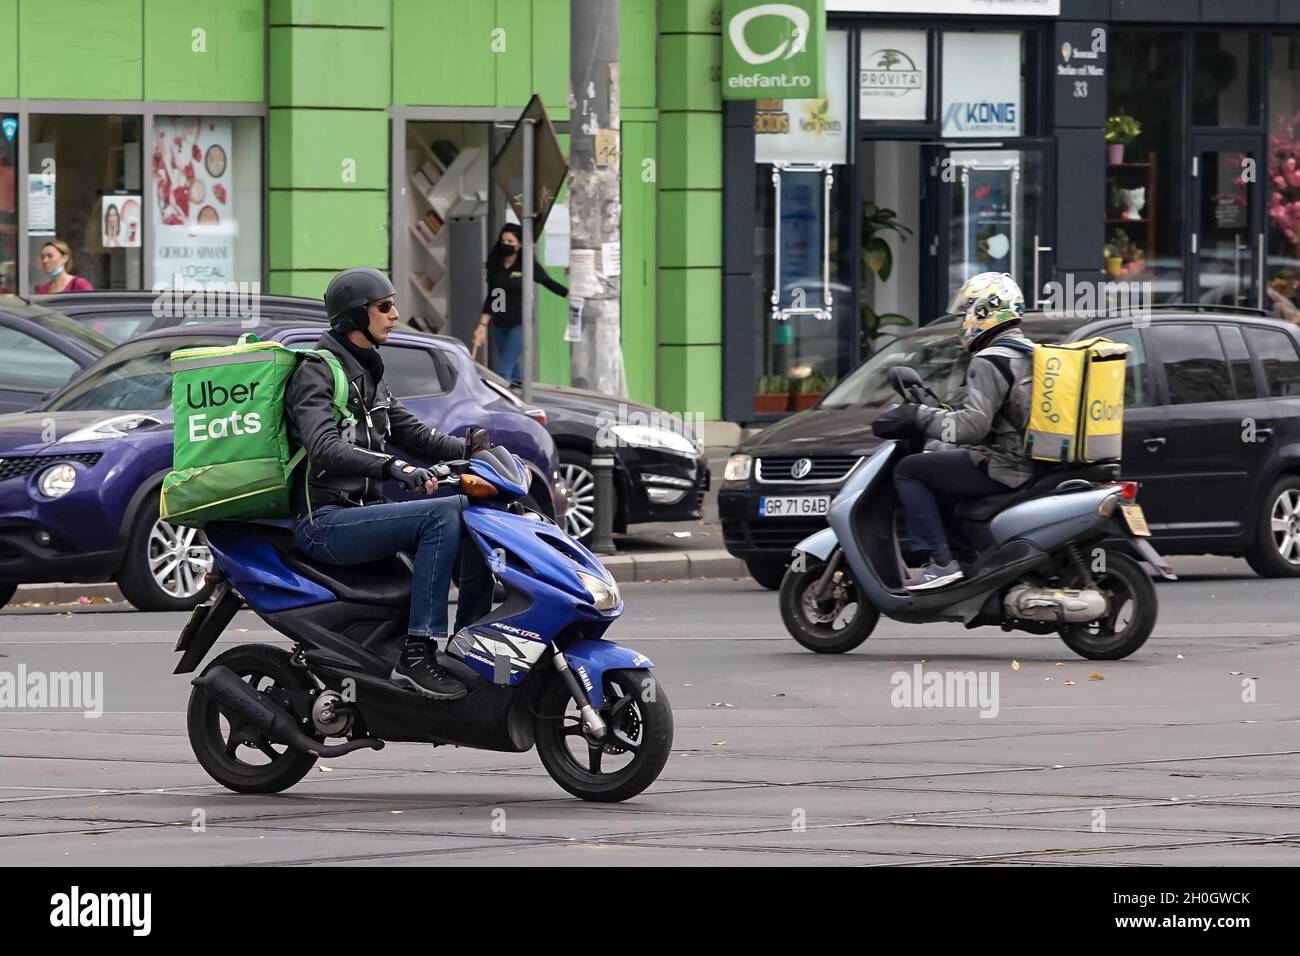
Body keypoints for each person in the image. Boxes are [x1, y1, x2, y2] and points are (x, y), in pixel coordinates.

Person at [286, 267, 495, 700]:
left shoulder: (368, 373)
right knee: (442, 513)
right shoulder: (316, 373)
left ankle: (470, 643)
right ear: (353, 317)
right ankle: (416, 656)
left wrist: (476, 453)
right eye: (385, 307)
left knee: (473, 511)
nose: (395, 314)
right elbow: (323, 446)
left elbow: (415, 434)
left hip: (361, 516)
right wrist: (395, 469)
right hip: (325, 521)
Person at [875, 272, 1036, 591]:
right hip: (1029, 460)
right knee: (941, 463)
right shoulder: (1031, 351)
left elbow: (973, 427)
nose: (963, 320)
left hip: (1005, 466)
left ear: (986, 310)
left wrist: (918, 415)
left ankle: (941, 562)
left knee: (910, 471)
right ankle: (965, 558)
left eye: (966, 311)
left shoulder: (990, 359)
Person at [472, 223, 569, 381]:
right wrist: (482, 326)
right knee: (513, 370)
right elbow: (493, 297)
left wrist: (569, 294)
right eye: (504, 241)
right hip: (499, 324)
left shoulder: (526, 265)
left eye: (510, 242)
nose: (506, 245)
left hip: (519, 324)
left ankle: (504, 403)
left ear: (520, 244)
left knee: (503, 370)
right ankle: (520, 398)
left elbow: (547, 282)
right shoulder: (496, 266)